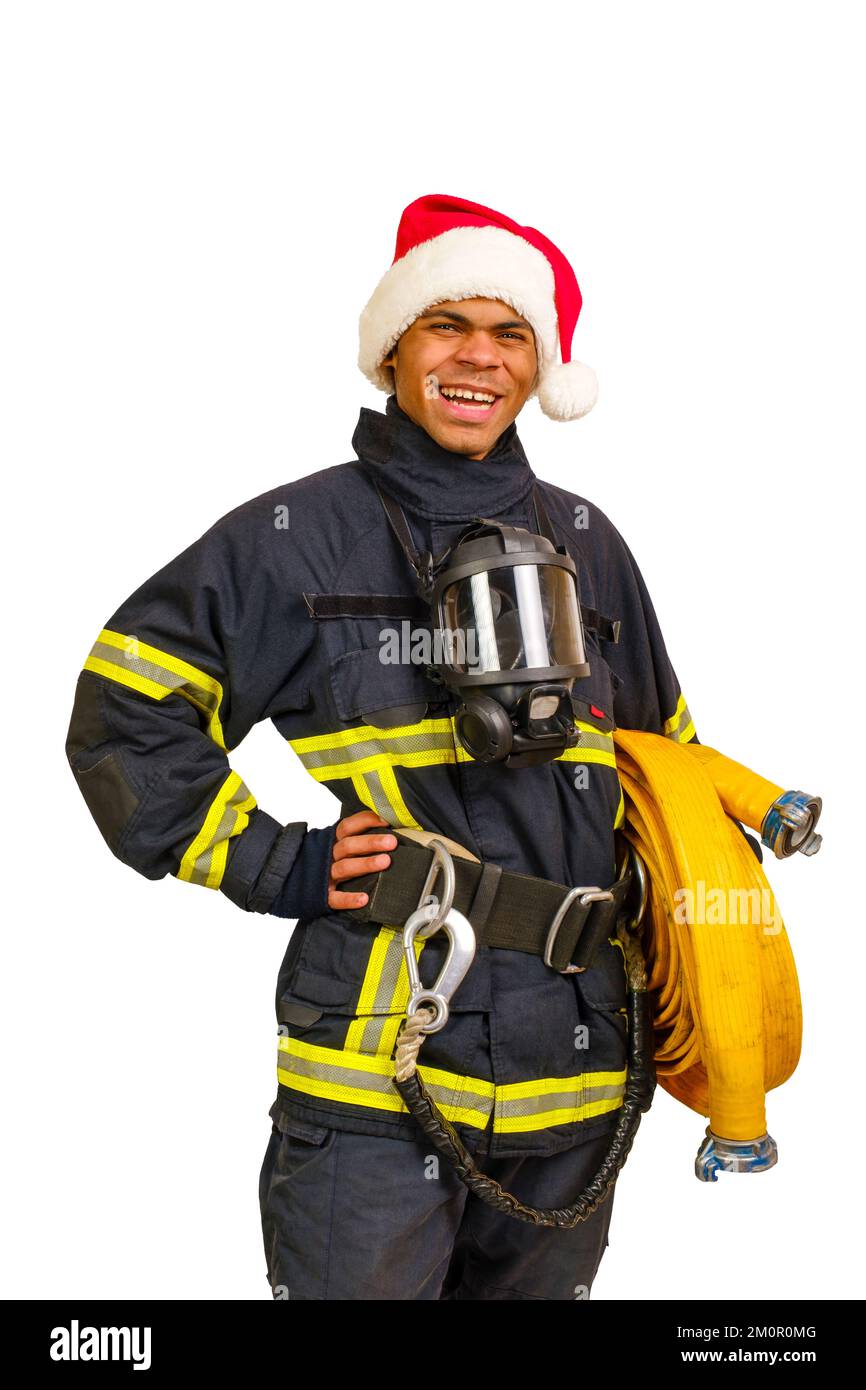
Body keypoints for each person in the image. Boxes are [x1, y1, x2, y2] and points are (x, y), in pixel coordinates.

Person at [66, 193, 758, 1301]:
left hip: (578, 1076)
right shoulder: (295, 539)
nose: (476, 357)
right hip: (379, 1078)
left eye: (509, 332)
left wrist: (716, 999)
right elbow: (126, 707)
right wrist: (277, 861)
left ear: (538, 368)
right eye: (446, 326)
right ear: (392, 349)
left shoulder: (588, 541)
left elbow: (666, 774)